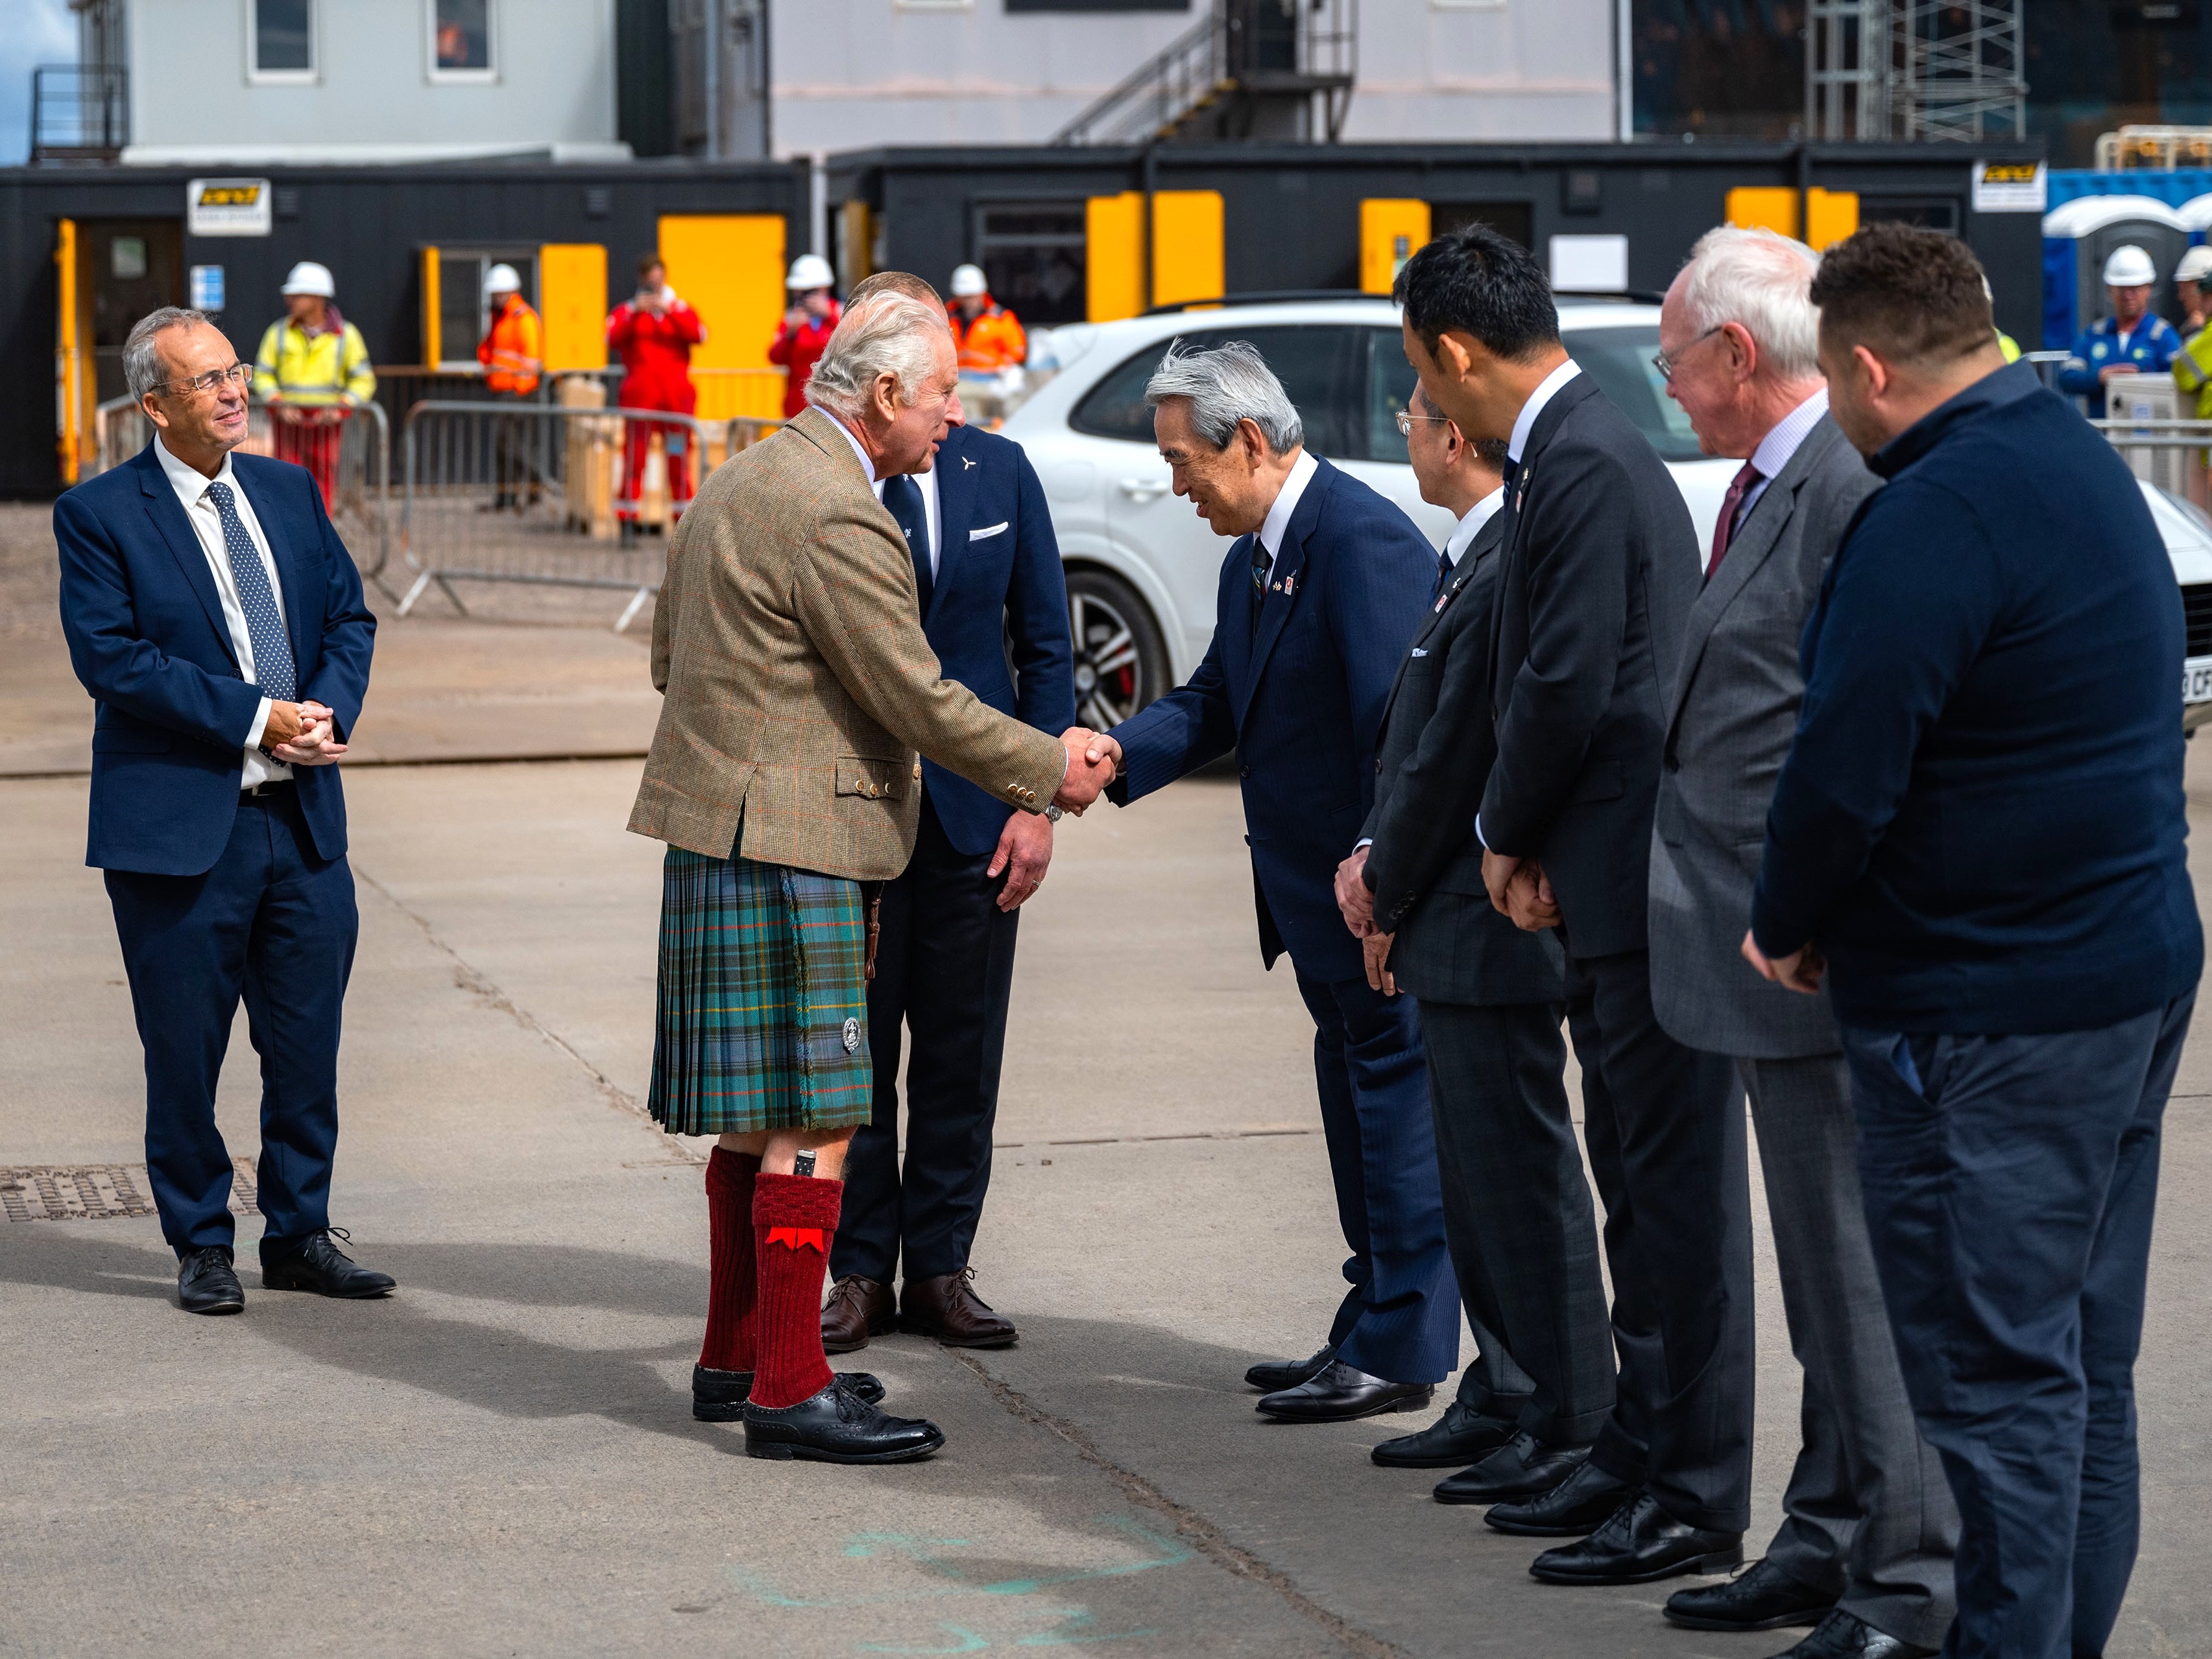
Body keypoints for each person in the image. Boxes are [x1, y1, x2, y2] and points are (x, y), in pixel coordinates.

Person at [1746, 221, 2202, 1659]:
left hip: (1985, 1008)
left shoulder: (1938, 508)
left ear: (1870, 366)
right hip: (2117, 975)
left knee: (1999, 1387)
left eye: (1829, 381)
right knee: (2076, 1373)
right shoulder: (2075, 462)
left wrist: (1786, 922)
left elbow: (1843, 761)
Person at [629, 290, 1114, 1464]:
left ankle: (734, 1356)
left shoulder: (741, 478)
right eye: (945, 394)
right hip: (801, 844)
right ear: (887, 395)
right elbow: (916, 694)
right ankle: (789, 1387)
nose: (957, 415)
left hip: (728, 831)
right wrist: (1051, 763)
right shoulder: (842, 512)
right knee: (820, 1119)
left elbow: (664, 659)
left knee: (751, 1126)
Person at [1394, 224, 1753, 1586]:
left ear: (1456, 355)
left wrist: (1500, 833)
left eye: (1425, 375)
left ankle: (1694, 1486)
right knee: (1634, 1196)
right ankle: (1641, 1452)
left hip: (1631, 887)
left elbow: (1563, 685)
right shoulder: (1575, 454)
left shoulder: (1587, 464)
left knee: (1672, 1208)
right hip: (1602, 887)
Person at [1645, 226, 1956, 1659]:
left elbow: (1855, 733)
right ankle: (1829, 1529)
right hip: (1757, 947)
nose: (1667, 390)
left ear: (1731, 354)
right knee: (1823, 1282)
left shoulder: (1840, 481)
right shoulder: (1774, 482)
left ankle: (1906, 1578)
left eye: (1670, 361)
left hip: (1809, 955)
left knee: (1852, 1279)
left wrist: (1806, 910)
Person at [1083, 340, 1459, 1426]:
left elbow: (1404, 735)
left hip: (1365, 902)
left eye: (1180, 460)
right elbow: (1216, 698)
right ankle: (1370, 1318)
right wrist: (1112, 755)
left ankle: (1402, 1343)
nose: (1175, 484)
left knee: (1394, 1105)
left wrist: (1388, 882)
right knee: (1358, 1102)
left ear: (1247, 439)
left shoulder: (1361, 542)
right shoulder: (1260, 550)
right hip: (1314, 906)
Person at [53, 306, 386, 1316]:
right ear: (154, 403)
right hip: (183, 832)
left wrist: (323, 709)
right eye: (206, 380)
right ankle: (201, 1239)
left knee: (305, 1046)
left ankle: (300, 1231)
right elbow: (111, 658)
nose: (234, 390)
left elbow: (346, 615)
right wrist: (258, 718)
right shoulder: (100, 513)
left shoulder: (288, 489)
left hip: (303, 822)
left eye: (235, 370)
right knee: (183, 1052)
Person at [1335, 386, 1607, 1491]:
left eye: (1407, 414)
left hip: (1483, 923)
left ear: (1454, 434)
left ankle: (1567, 1411)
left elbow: (1453, 754)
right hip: (1448, 922)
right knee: (1475, 1177)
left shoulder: (1504, 563)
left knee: (1521, 1178)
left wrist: (1383, 885)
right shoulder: (1467, 555)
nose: (1399, 432)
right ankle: (1501, 1388)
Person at [818, 272, 1077, 1355]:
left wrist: (1035, 803)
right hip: (861, 825)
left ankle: (942, 1266)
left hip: (978, 825)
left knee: (962, 1056)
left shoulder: (998, 474)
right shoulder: (830, 487)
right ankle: (858, 1270)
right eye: (934, 374)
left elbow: (1047, 650)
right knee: (857, 1058)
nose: (952, 403)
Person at [252, 260, 375, 512]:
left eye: (297, 295)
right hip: (288, 425)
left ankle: (320, 534)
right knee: (285, 479)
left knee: (323, 483)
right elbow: (262, 375)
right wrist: (277, 402)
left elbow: (364, 379)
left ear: (318, 298)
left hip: (326, 426)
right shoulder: (278, 333)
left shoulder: (347, 336)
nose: (290, 300)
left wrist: (342, 406)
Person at [605, 252, 708, 528]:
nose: (655, 289)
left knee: (678, 456)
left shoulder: (680, 309)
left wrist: (670, 310)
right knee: (634, 456)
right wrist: (635, 312)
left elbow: (699, 335)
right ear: (642, 281)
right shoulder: (628, 312)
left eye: (658, 283)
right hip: (640, 399)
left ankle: (682, 518)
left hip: (675, 401)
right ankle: (627, 517)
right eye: (650, 284)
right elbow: (611, 337)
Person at [2059, 244, 2181, 418]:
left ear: (2148, 288)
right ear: (2110, 289)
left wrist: (2142, 380)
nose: (2128, 295)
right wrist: (2100, 377)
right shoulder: (2094, 334)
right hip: (2103, 436)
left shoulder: (2163, 336)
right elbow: (2067, 378)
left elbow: (2177, 381)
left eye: (2135, 288)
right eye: (2121, 289)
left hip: (2150, 438)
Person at [478, 263, 544, 510]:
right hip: (504, 390)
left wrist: (507, 374)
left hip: (519, 391)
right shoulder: (501, 318)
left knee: (512, 446)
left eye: (498, 293)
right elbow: (492, 349)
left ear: (510, 292)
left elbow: (531, 361)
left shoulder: (523, 318)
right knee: (503, 446)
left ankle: (537, 484)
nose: (494, 298)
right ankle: (506, 497)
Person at [767, 254, 840, 420]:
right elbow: (774, 356)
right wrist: (790, 333)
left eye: (810, 291)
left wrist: (831, 317)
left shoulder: (841, 313)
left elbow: (855, 345)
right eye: (800, 291)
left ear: (824, 288)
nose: (803, 296)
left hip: (833, 401)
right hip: (797, 403)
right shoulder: (791, 319)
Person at [947, 264, 1026, 376]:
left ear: (982, 293)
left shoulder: (1001, 318)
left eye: (972, 295)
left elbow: (1017, 352)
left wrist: (1002, 367)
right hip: (955, 380)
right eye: (965, 295)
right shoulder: (945, 318)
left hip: (992, 379)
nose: (969, 300)